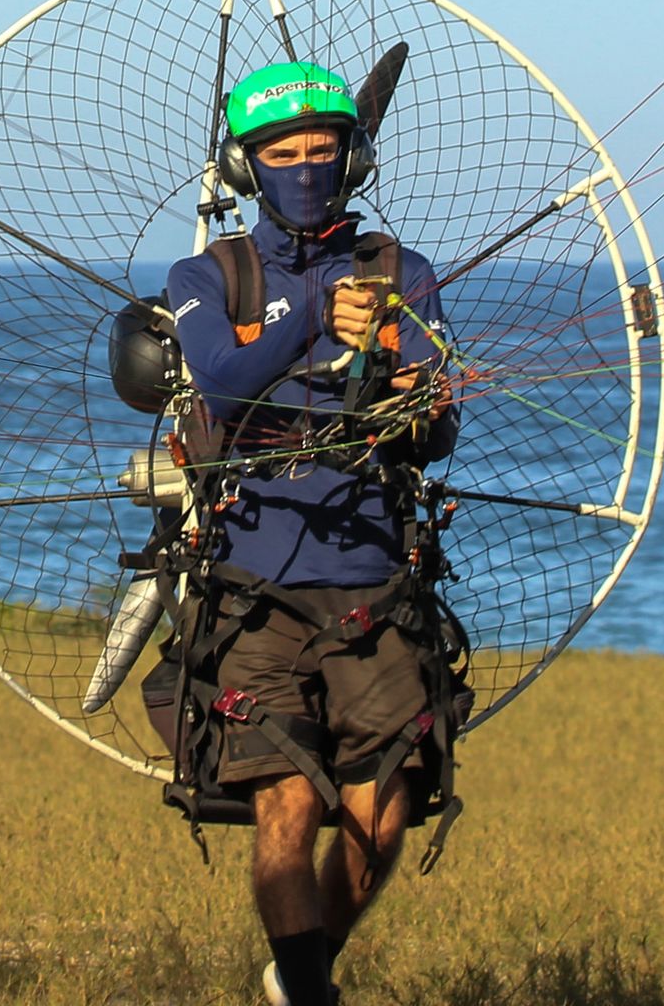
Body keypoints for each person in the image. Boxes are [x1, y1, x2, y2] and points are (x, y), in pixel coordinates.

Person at [155, 61, 460, 1006]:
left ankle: (297, 979)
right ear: (248, 171)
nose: (302, 168)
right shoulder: (211, 275)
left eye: (321, 150)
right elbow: (221, 379)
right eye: (280, 154)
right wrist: (313, 315)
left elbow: (440, 428)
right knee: (285, 800)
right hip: (251, 588)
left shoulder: (401, 275)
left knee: (381, 821)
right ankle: (313, 998)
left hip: (372, 578)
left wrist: (408, 389)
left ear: (352, 156)